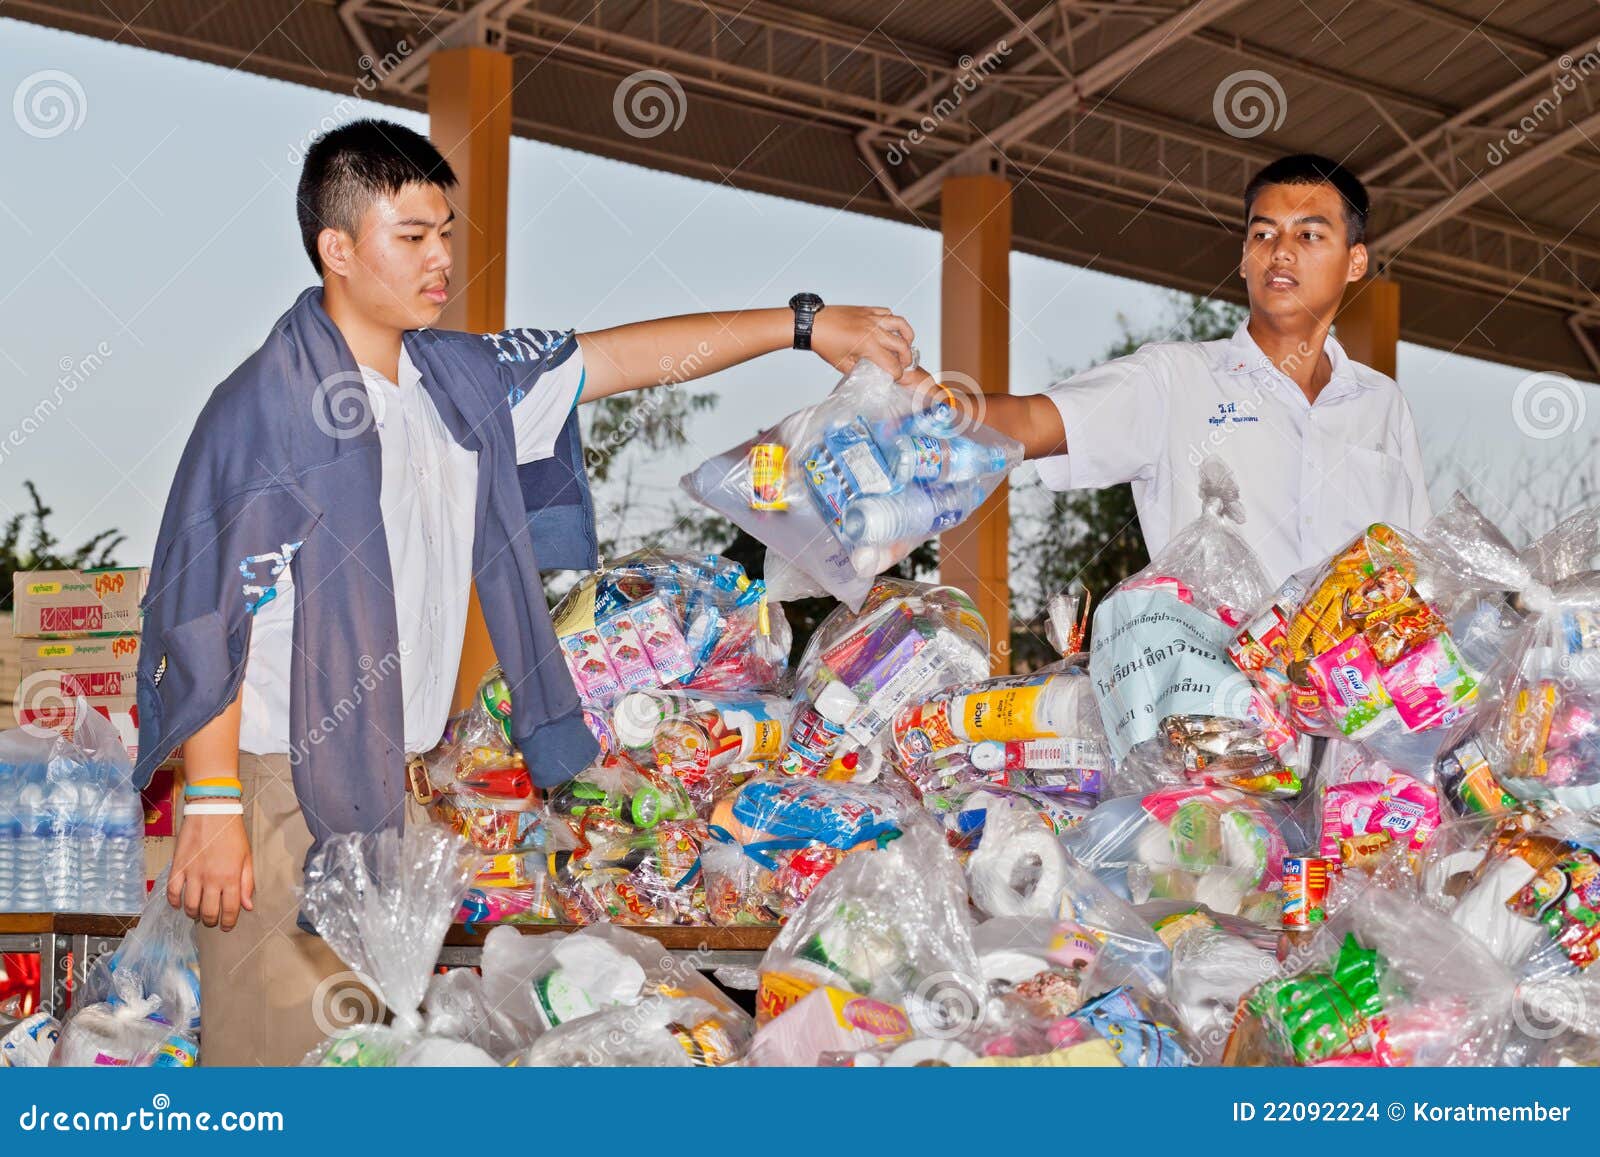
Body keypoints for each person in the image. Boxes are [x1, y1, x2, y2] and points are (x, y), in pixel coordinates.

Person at [134, 118, 917, 1066]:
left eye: (447, 231)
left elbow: (618, 358)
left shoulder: (458, 386)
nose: (441, 258)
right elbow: (209, 610)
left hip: (392, 801)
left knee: (374, 1073)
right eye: (411, 236)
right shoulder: (267, 406)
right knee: (287, 1074)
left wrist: (801, 327)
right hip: (280, 794)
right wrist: (213, 806)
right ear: (336, 249)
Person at [977, 153, 1432, 584]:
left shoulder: (1382, 405)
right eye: (1263, 234)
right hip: (1212, 666)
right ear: (1243, 257)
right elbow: (1031, 420)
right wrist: (931, 402)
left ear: (1356, 262)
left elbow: (1420, 569)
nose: (1280, 252)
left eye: (1308, 235)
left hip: (1353, 669)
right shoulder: (1176, 379)